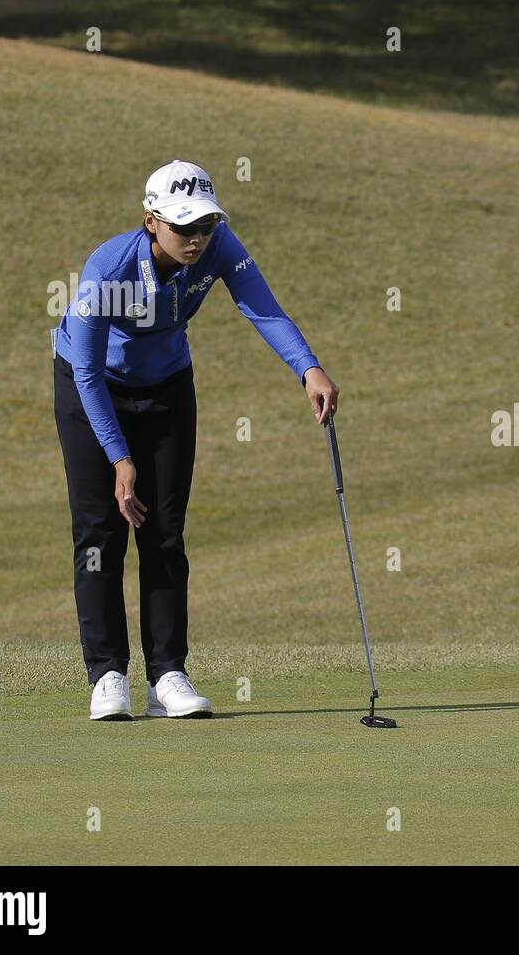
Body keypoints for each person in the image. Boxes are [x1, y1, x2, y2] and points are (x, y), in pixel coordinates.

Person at [52, 159, 339, 720]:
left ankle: (167, 674)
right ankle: (108, 674)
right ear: (150, 221)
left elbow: (261, 306)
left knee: (164, 531)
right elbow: (85, 372)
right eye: (184, 227)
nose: (197, 238)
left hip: (166, 389)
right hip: (93, 390)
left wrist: (309, 368)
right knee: (99, 536)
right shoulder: (107, 271)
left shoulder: (220, 247)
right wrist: (120, 459)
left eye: (205, 224)